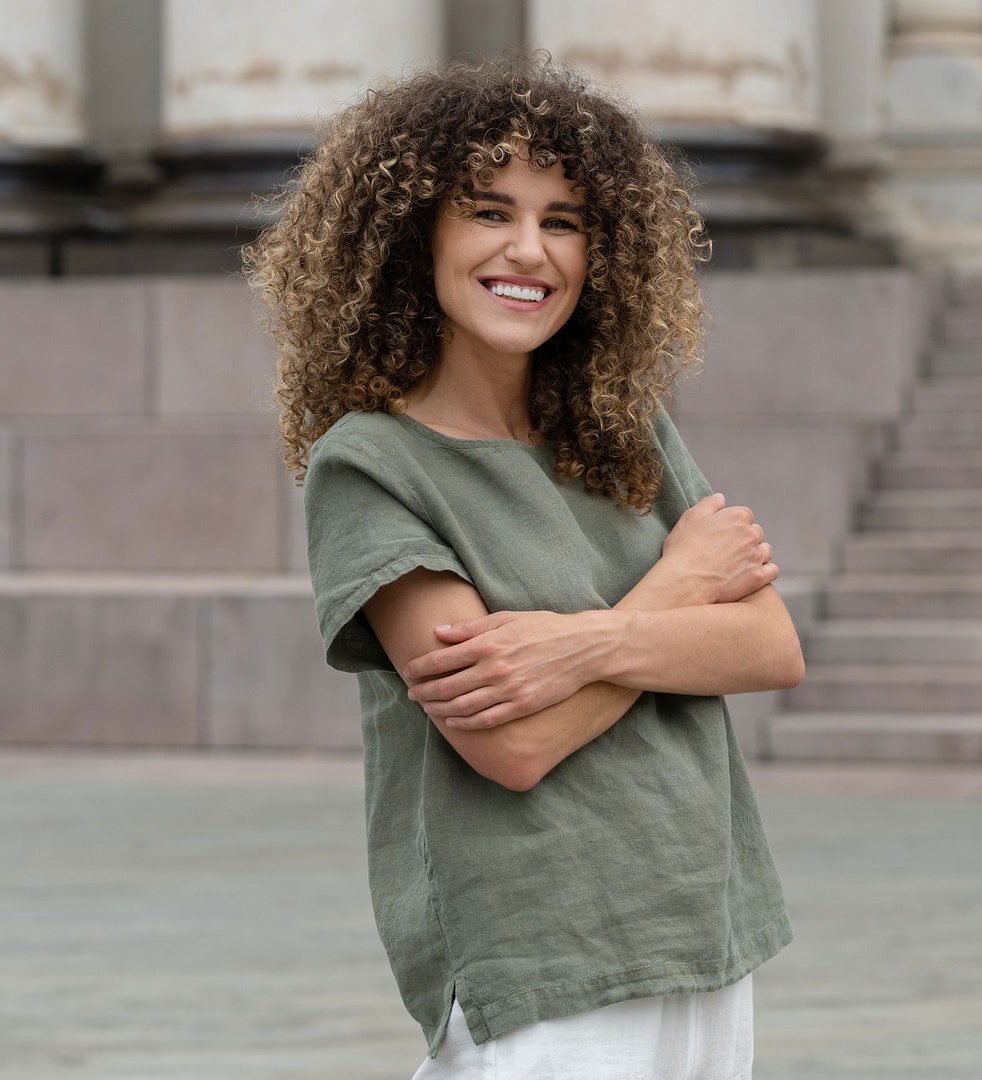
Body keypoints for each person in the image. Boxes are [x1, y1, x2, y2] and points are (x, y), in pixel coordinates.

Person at [244, 53, 805, 1079]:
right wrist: (679, 592)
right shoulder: (371, 463)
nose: (530, 250)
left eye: (565, 220)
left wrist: (584, 641)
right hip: (541, 956)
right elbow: (514, 745)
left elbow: (769, 645)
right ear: (414, 233)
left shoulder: (623, 427)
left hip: (705, 929)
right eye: (489, 211)